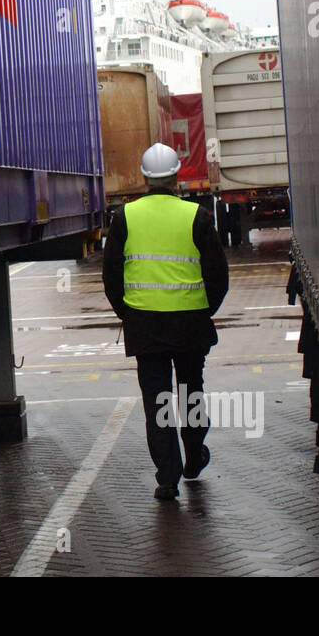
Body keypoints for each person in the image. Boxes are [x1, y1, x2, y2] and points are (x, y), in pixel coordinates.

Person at [103, 143, 229, 500]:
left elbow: (112, 276)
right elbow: (218, 276)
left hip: (145, 326)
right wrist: (205, 311)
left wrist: (127, 314)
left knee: (157, 398)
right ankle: (194, 455)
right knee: (191, 390)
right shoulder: (198, 216)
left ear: (145, 177)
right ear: (176, 176)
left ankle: (167, 477)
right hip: (190, 324)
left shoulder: (124, 218)